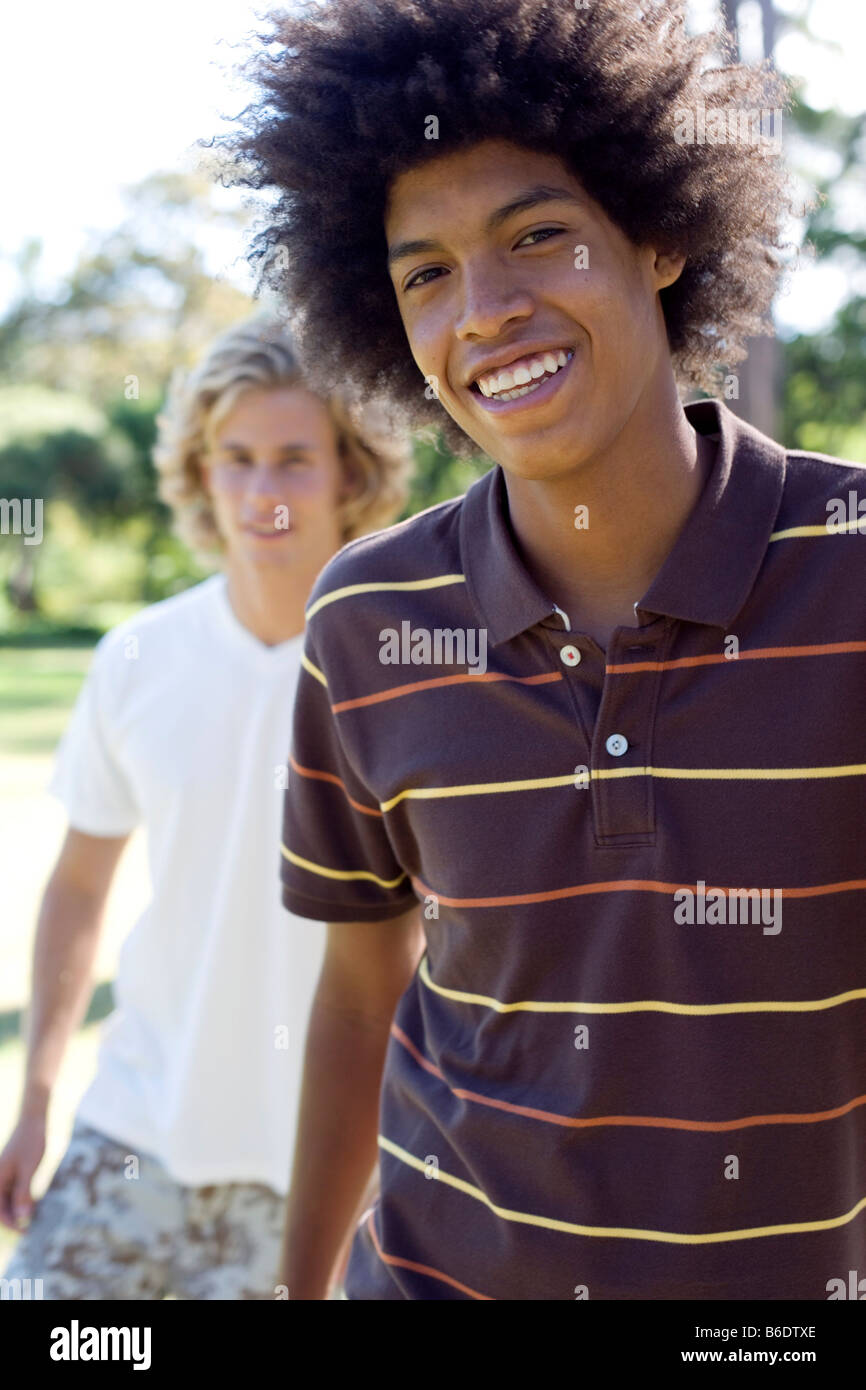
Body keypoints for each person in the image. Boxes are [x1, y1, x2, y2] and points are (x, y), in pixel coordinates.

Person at [221, 0, 866, 1301]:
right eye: (426, 274)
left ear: (658, 232)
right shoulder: (365, 621)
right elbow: (361, 996)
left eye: (538, 237)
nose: (487, 312)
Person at [0, 317, 410, 1299]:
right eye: (235, 459)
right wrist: (38, 1095)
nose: (262, 492)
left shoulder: (404, 662)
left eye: (293, 459)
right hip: (142, 1125)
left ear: (349, 474)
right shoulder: (137, 656)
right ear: (200, 470)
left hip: (335, 1157)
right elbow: (78, 889)